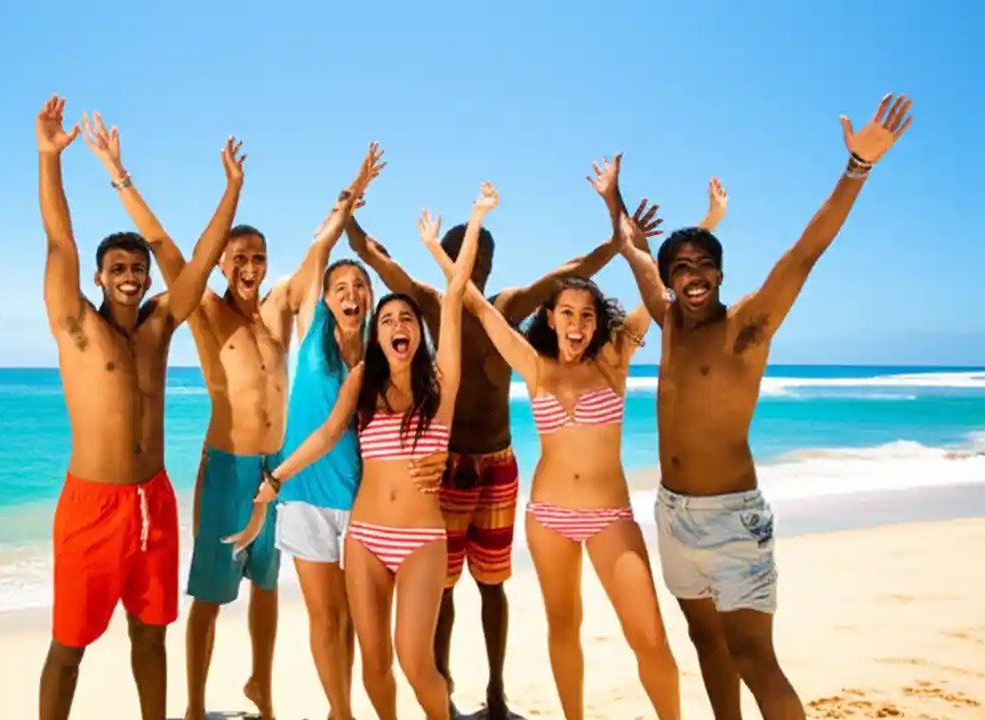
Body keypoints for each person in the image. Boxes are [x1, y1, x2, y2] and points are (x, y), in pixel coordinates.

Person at [344, 169, 726, 719]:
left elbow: (620, 282)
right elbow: (428, 283)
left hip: (547, 485)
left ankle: (499, 696)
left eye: (585, 315)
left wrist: (637, 235)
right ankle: (452, 697)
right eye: (566, 314)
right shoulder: (477, 328)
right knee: (494, 606)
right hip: (488, 487)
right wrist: (354, 214)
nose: (575, 324)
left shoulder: (573, 339)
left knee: (607, 624)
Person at [615, 93, 912, 720]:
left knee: (752, 655)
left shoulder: (749, 324)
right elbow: (634, 251)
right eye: (680, 269)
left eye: (703, 266)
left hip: (732, 521)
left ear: (720, 275)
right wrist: (613, 199)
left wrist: (856, 168)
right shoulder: (668, 324)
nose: (691, 276)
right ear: (670, 281)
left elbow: (807, 251)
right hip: (672, 514)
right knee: (705, 641)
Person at [143, 143, 385, 720]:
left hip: (279, 469)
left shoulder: (281, 306)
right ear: (223, 265)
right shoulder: (205, 309)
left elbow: (321, 245)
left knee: (267, 588)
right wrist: (224, 189)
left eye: (258, 257)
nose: (250, 268)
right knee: (209, 593)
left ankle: (264, 693)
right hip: (228, 464)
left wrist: (351, 189)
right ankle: (195, 707)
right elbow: (172, 253)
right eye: (239, 259)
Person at [231, 182, 491, 720]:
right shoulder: (361, 380)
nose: (398, 326)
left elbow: (455, 289)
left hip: (411, 532)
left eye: (406, 319)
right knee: (371, 659)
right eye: (389, 320)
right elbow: (326, 433)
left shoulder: (441, 383)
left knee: (413, 659)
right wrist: (272, 484)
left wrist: (468, 222)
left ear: (417, 331)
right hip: (361, 530)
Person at [35, 95, 246, 720]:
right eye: (117, 268)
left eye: (137, 268)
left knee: (150, 634)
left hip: (153, 503)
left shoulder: (159, 326)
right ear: (98, 278)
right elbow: (58, 237)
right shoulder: (75, 325)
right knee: (68, 646)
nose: (129, 275)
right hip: (90, 507)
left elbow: (205, 258)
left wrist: (231, 189)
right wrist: (50, 158)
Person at [264, 152, 449, 720]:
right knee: (326, 619)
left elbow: (424, 408)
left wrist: (438, 458)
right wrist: (353, 191)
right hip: (304, 496)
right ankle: (340, 711)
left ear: (369, 299)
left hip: (365, 501)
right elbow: (322, 243)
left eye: (359, 287)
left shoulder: (380, 344)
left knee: (366, 629)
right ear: (325, 296)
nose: (350, 294)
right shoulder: (310, 326)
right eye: (340, 286)